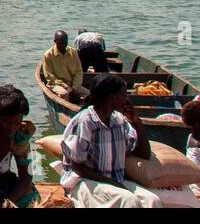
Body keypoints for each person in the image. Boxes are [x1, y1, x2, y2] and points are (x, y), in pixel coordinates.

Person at [60, 74, 159, 208]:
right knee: (129, 201)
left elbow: (144, 154)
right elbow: (78, 167)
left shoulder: (119, 120)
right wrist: (113, 184)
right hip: (84, 182)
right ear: (112, 98)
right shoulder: (86, 122)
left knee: (153, 201)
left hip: (114, 181)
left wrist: (136, 121)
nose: (127, 98)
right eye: (124, 94)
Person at [42, 30, 86, 103]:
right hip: (56, 84)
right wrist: (65, 86)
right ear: (55, 41)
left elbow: (78, 71)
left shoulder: (73, 52)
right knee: (64, 93)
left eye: (65, 42)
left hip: (72, 84)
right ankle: (66, 111)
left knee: (89, 94)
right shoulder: (48, 55)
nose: (63, 45)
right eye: (60, 43)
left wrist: (74, 87)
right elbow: (50, 76)